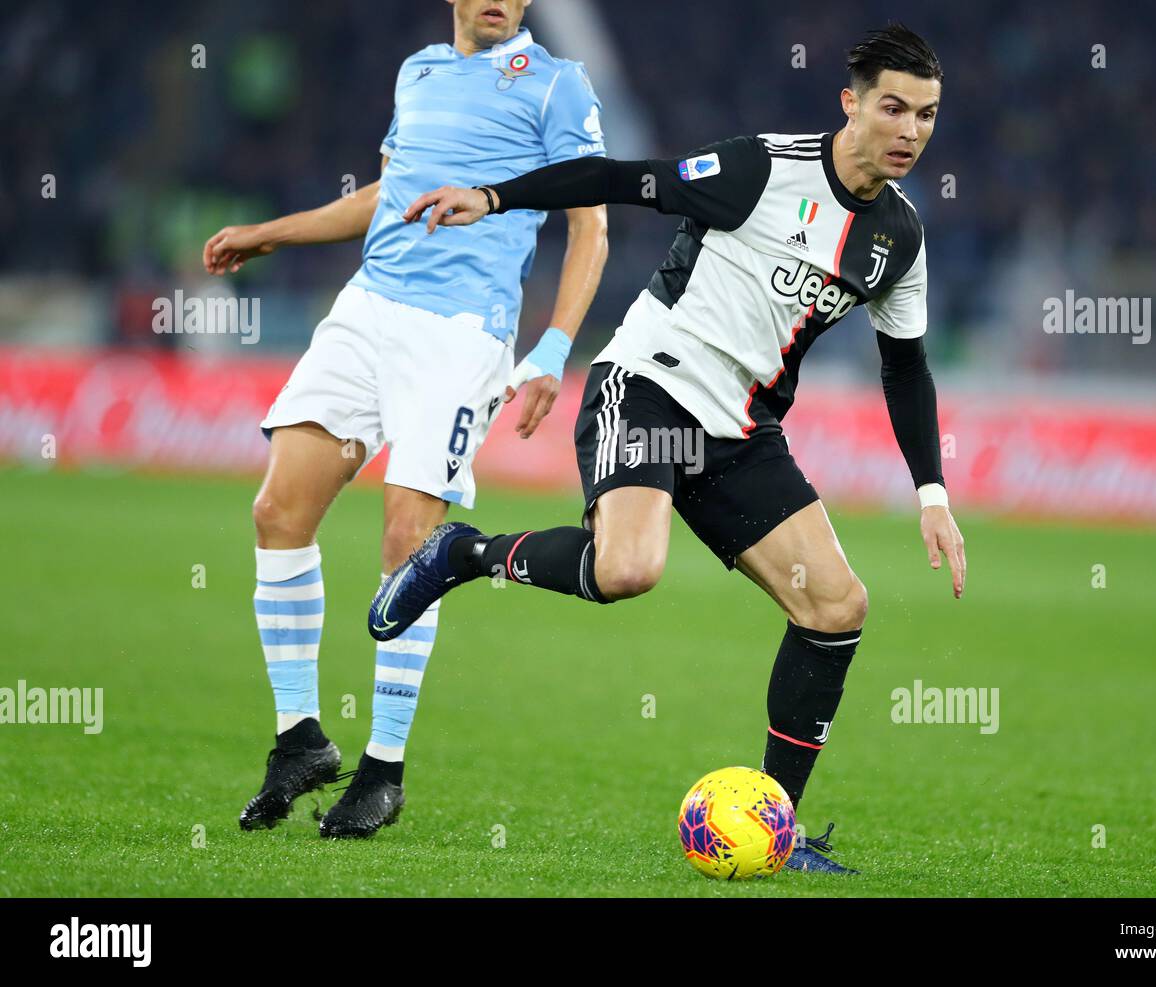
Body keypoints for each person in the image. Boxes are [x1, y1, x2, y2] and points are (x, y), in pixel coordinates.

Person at [371, 22, 965, 873]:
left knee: (837, 607)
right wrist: (494, 196)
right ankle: (462, 553)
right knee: (628, 570)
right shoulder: (762, 169)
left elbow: (905, 369)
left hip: (741, 433)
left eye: (928, 115)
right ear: (851, 104)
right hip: (649, 384)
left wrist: (933, 495)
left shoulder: (898, 238)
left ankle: (777, 828)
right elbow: (621, 179)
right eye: (894, 108)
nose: (911, 131)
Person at [203, 0, 609, 838]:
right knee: (279, 512)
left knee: (406, 548)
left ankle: (383, 771)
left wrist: (553, 344)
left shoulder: (558, 86)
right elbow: (392, 194)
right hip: (368, 310)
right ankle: (299, 739)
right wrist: (275, 234)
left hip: (460, 332)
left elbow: (590, 222)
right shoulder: (417, 71)